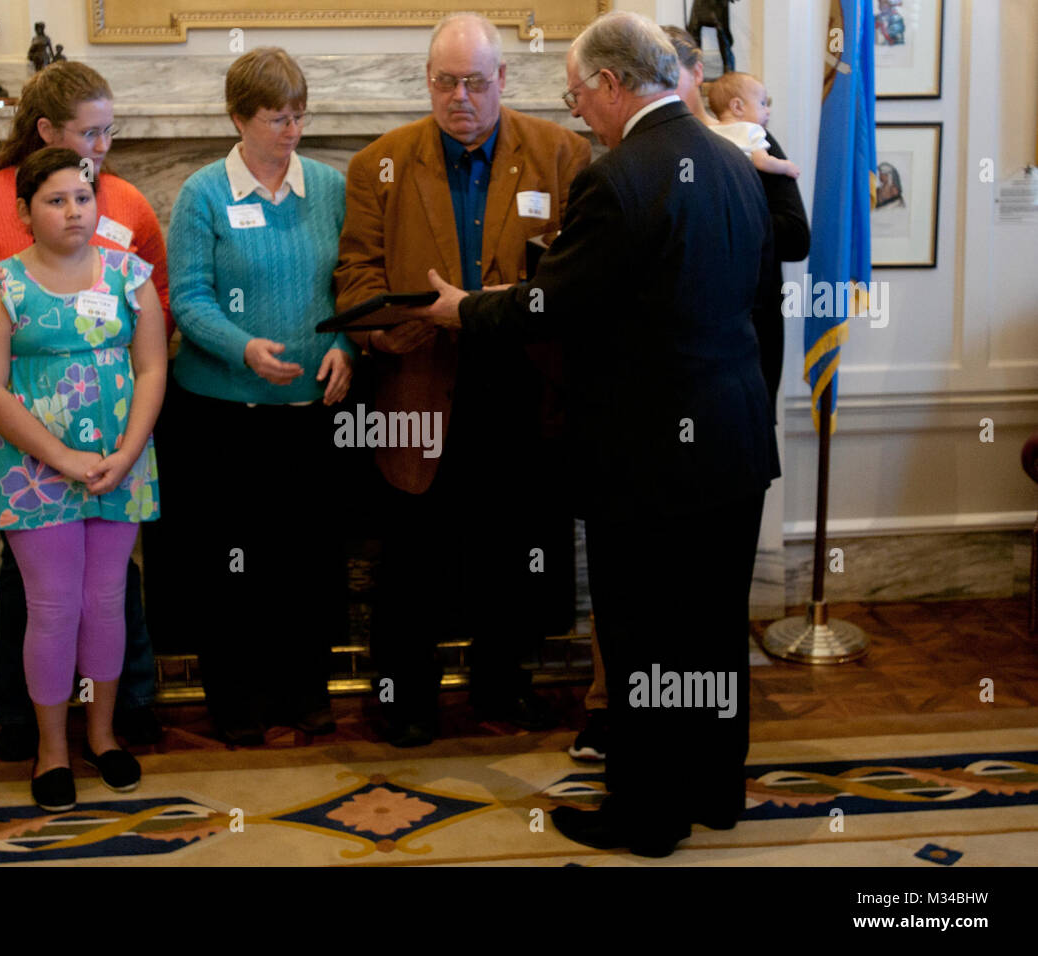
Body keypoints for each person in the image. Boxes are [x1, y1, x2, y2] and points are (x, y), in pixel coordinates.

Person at [419, 10, 779, 857]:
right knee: (712, 624)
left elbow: (555, 305)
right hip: (732, 434)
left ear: (615, 86)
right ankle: (714, 788)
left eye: (580, 93)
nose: (577, 111)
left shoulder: (617, 179)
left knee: (646, 630)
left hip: (649, 452)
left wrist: (464, 309)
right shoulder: (736, 164)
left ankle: (648, 813)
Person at [335, 13, 592, 749]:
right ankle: (405, 701)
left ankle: (502, 690)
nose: (459, 98)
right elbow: (354, 275)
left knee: (513, 552)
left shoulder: (561, 154)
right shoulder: (379, 164)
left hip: (521, 384)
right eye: (445, 82)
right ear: (429, 81)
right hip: (418, 381)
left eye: (475, 82)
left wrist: (495, 312)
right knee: (413, 557)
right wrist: (381, 330)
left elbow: (576, 277)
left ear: (502, 81)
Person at [0, 61, 171, 761]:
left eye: (109, 133)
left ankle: (118, 713)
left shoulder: (124, 201)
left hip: (116, 426)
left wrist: (129, 436)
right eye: (89, 132)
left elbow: (153, 314)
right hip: (24, 429)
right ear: (45, 133)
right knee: (38, 587)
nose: (100, 148)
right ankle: (31, 725)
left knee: (109, 588)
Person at [160, 47, 353, 746]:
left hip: (309, 418)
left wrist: (347, 348)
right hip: (223, 419)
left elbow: (352, 288)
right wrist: (243, 347)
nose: (292, 132)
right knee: (232, 567)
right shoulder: (204, 194)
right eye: (277, 119)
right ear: (237, 117)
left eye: (300, 117)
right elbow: (186, 298)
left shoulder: (330, 187)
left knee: (306, 564)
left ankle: (306, 695)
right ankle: (238, 704)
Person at [0, 147, 166, 811]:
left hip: (120, 462)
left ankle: (103, 736)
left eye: (83, 197)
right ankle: (52, 750)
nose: (74, 210)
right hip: (32, 469)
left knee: (106, 600)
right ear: (25, 212)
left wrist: (128, 451)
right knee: (54, 607)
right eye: (56, 200)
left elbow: (152, 370)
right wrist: (64, 458)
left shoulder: (131, 274)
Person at [667, 26, 810, 407]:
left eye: (668, 74)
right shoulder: (653, 150)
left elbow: (796, 238)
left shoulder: (753, 138)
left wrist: (721, 220)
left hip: (749, 334)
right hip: (675, 351)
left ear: (696, 72)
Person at [706, 71, 800, 179]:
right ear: (737, 107)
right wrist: (786, 167)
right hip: (742, 184)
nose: (768, 111)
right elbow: (762, 161)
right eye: (762, 103)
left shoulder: (709, 132)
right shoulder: (752, 130)